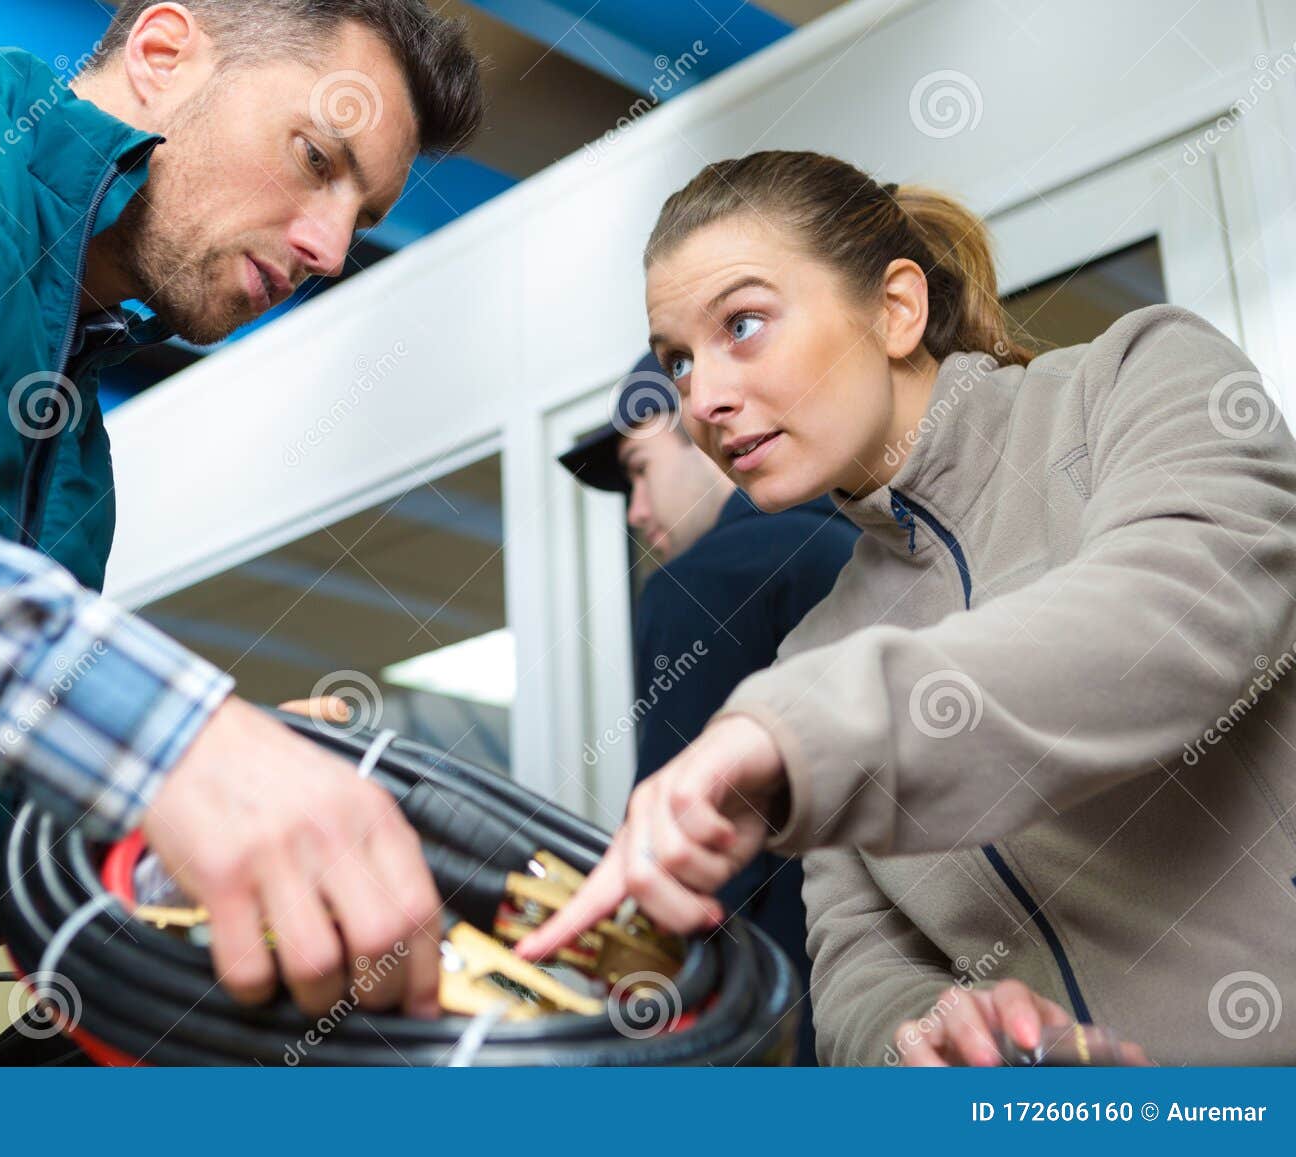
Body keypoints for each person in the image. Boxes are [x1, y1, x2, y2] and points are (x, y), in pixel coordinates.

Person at [0, 0, 482, 1063]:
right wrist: (174, 737)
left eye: (363, 212)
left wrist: (159, 840)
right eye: (315, 158)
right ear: (162, 53)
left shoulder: (76, 467)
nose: (330, 249)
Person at [521, 150, 1296, 1066]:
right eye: (679, 362)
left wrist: (799, 730)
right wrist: (920, 1030)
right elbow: (856, 956)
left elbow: (1167, 621)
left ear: (896, 310)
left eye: (744, 324)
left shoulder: (1139, 377)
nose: (706, 399)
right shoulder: (816, 648)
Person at [558, 352, 857, 1062]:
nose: (636, 511)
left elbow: (682, 873)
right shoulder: (860, 551)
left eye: (640, 470)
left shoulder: (705, 582)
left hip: (773, 1036)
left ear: (701, 431)